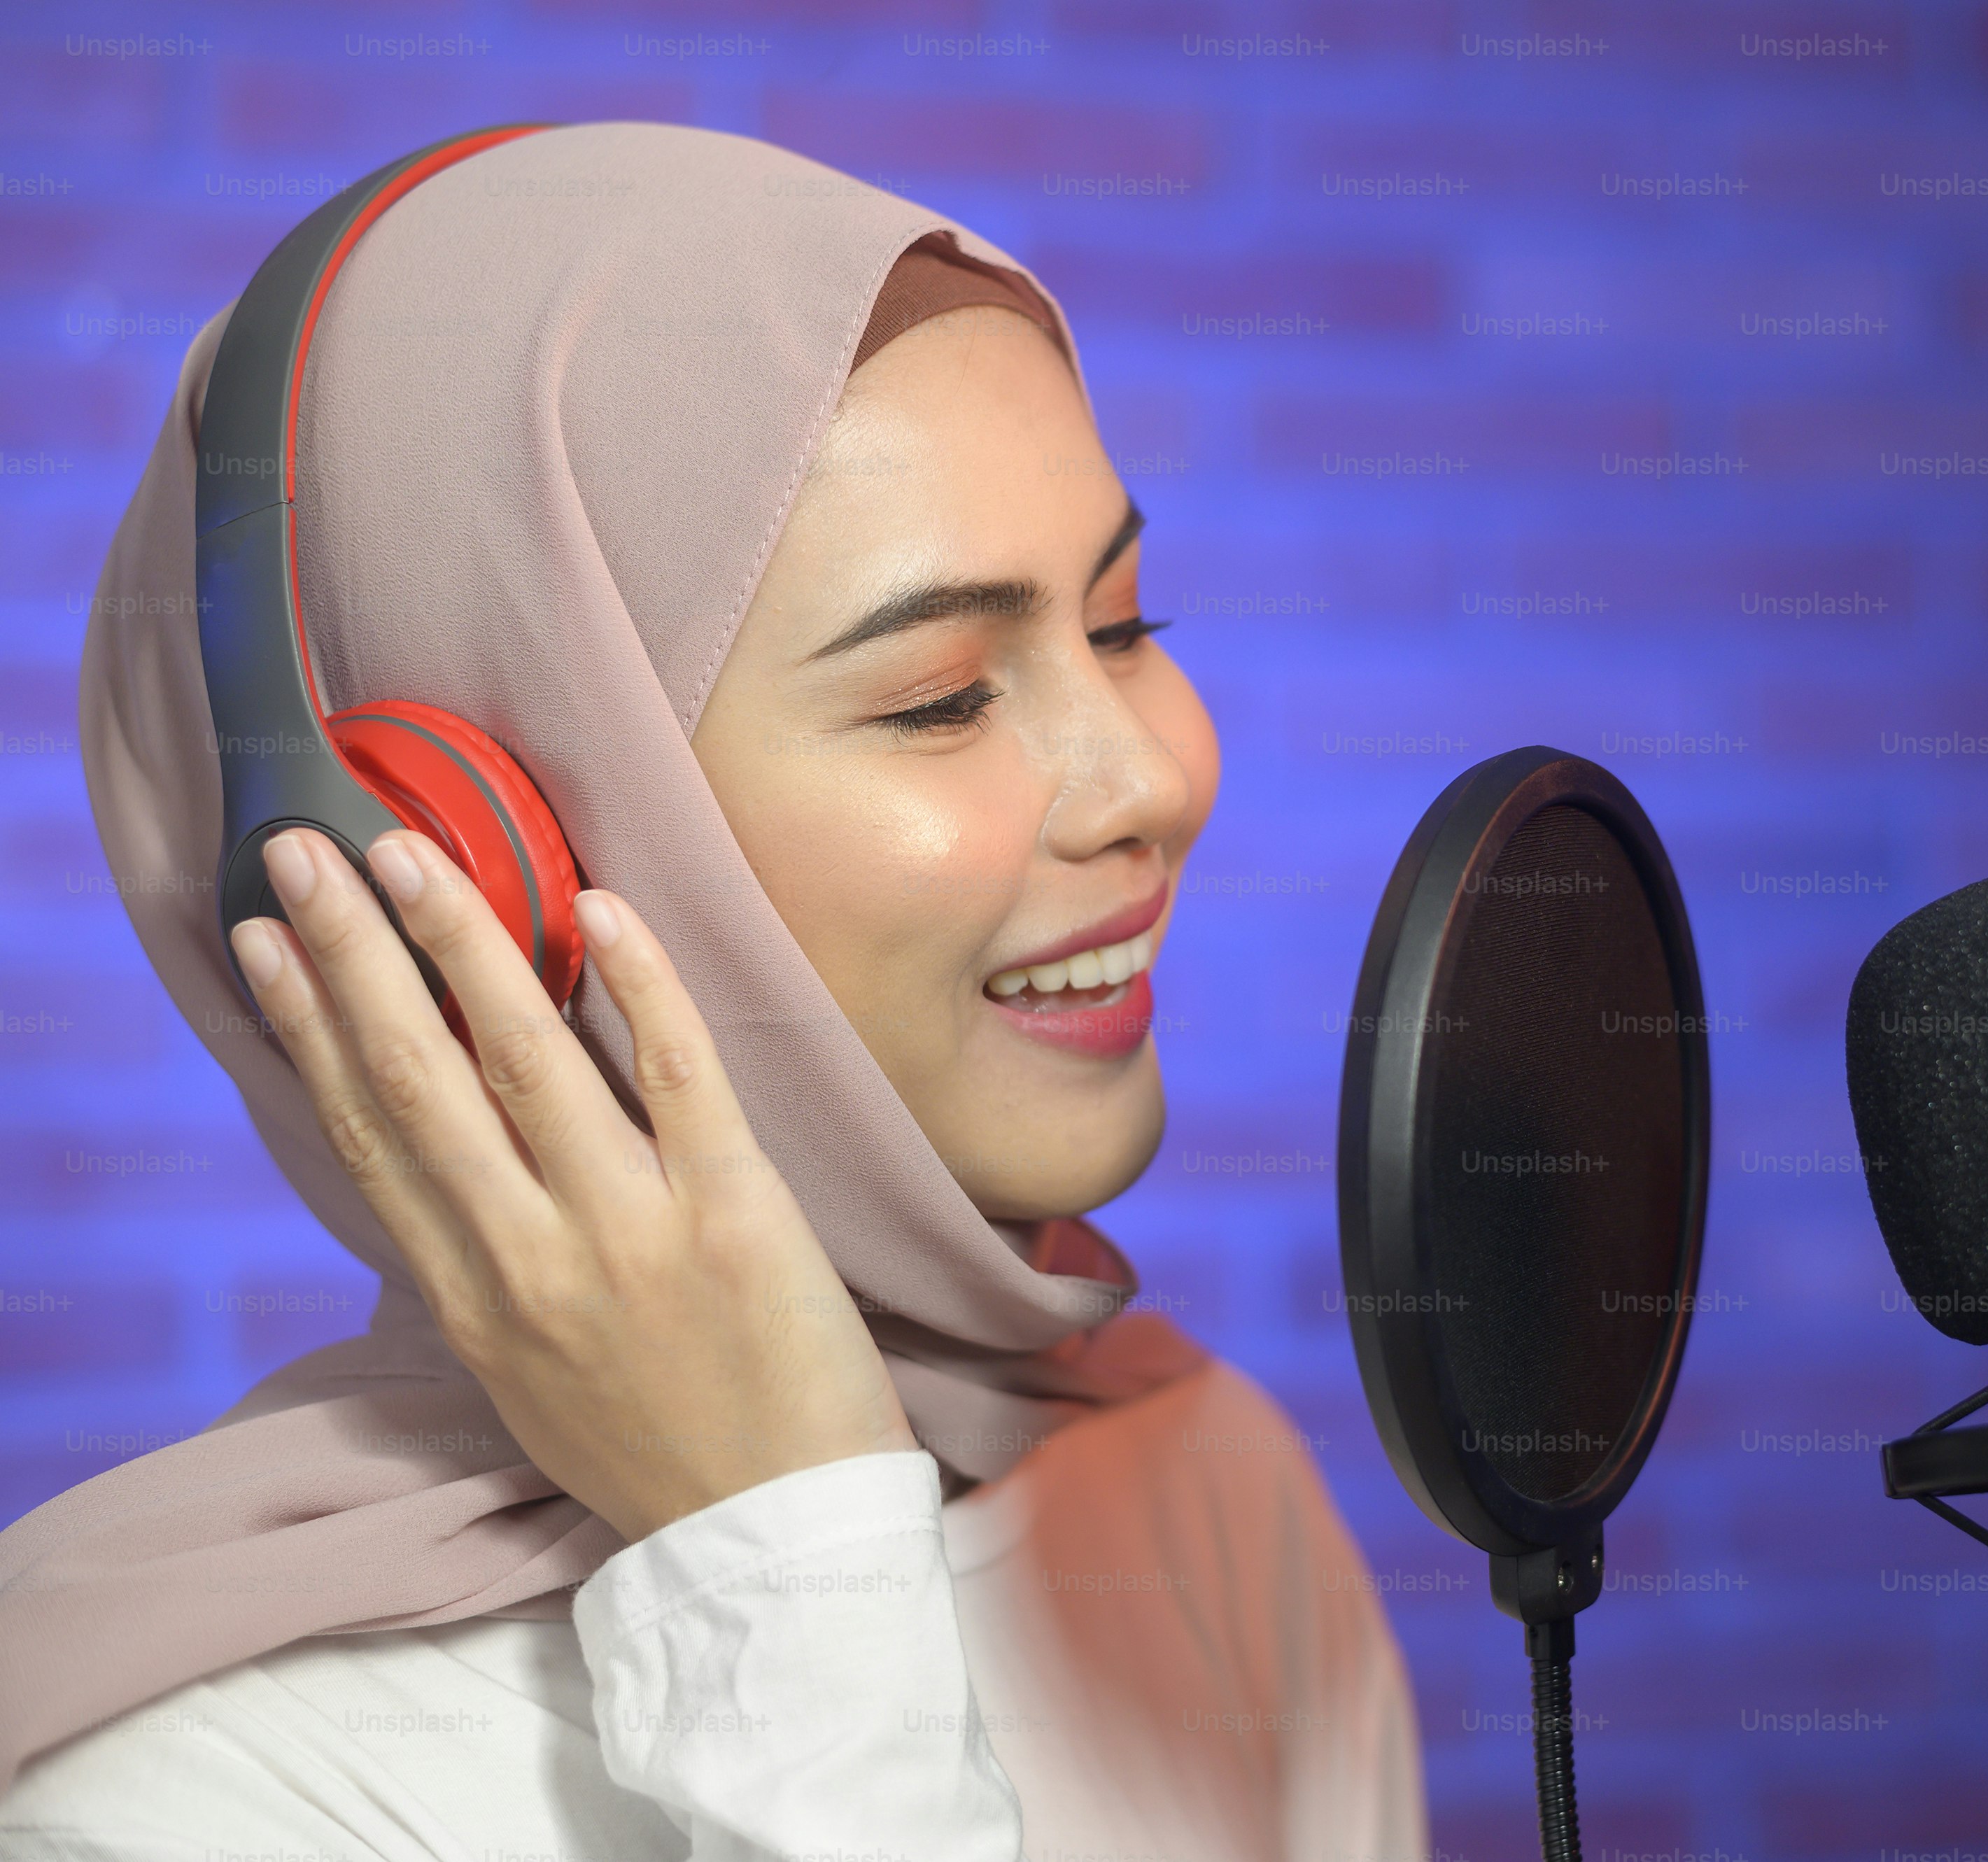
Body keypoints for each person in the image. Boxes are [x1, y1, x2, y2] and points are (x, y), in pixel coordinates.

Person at [0, 121, 1424, 1861]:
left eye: (1126, 623)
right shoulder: (189, 1794)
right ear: (455, 861)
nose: (1150, 780)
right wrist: (781, 1561)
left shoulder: (1199, 1488)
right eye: (939, 696)